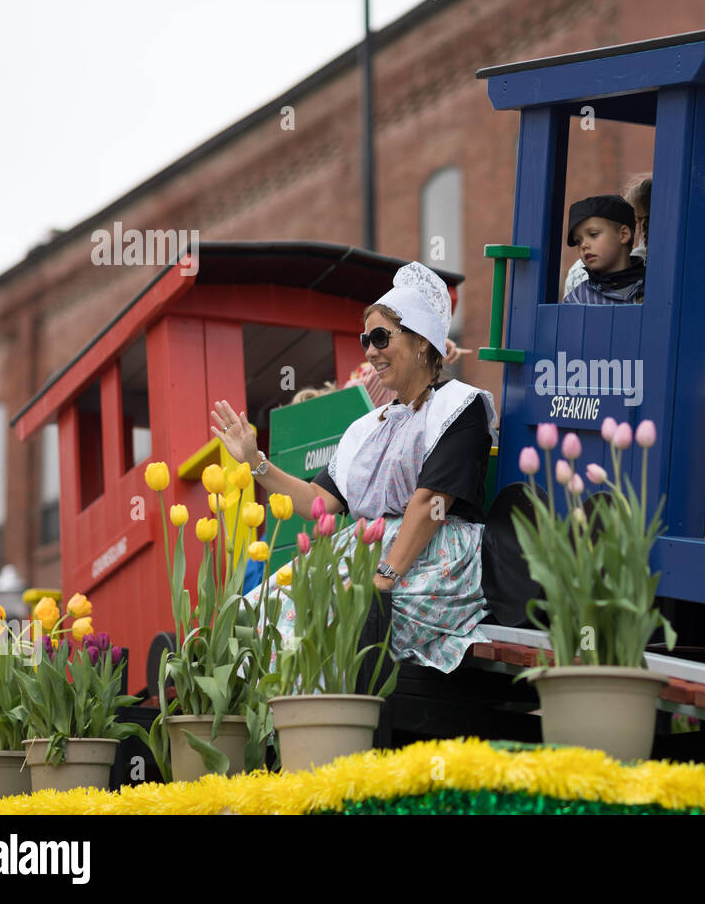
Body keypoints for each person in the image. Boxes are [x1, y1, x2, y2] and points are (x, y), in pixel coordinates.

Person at [210, 261, 496, 678]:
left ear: (421, 342)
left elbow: (429, 503)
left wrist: (383, 579)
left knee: (323, 628)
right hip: (369, 550)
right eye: (366, 340)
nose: (370, 351)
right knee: (256, 610)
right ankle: (267, 731)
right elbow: (318, 502)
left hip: (431, 555)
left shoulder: (458, 406)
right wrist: (256, 461)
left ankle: (317, 729)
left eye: (380, 337)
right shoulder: (368, 428)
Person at [564, 175, 650, 298]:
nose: (583, 245)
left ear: (624, 234)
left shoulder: (647, 286)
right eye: (578, 241)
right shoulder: (579, 293)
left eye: (593, 234)